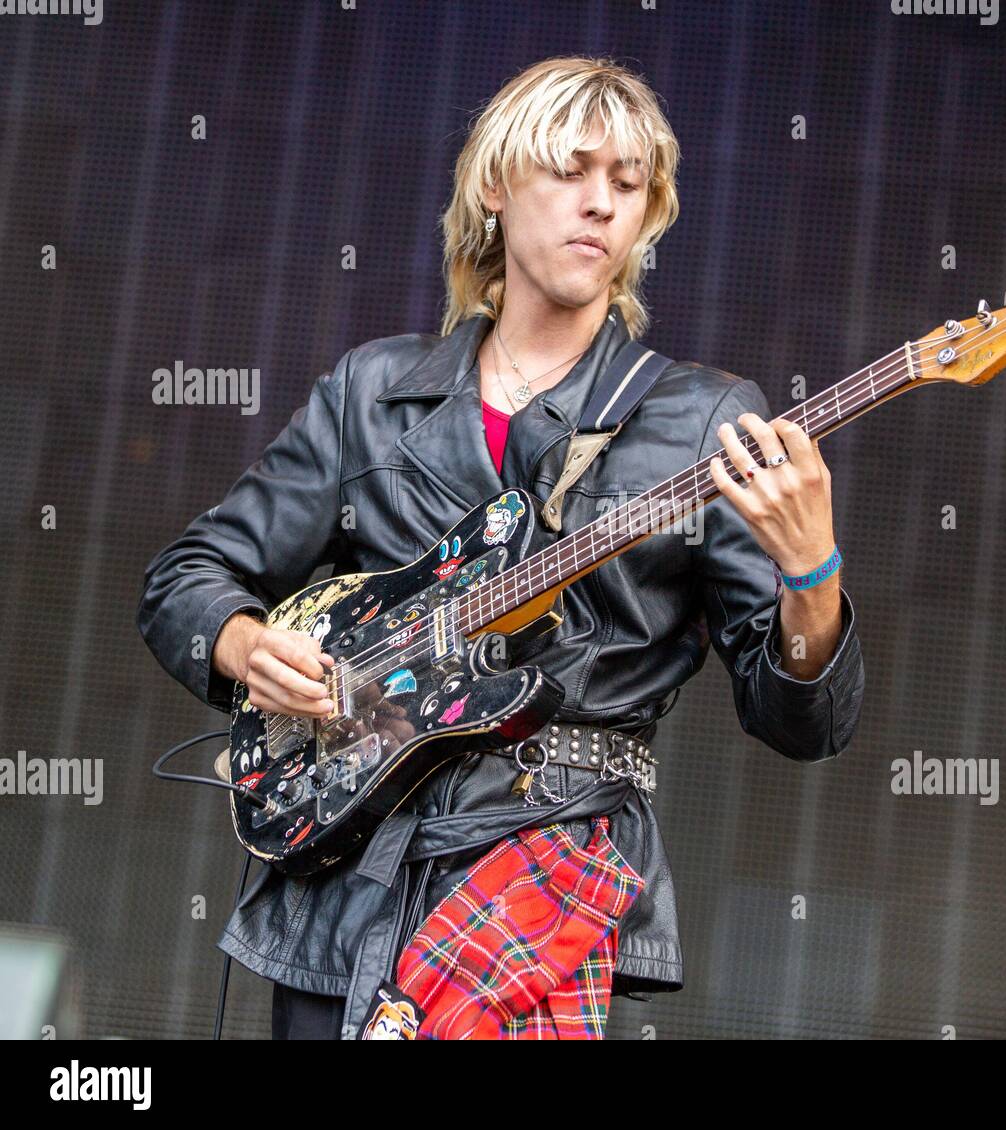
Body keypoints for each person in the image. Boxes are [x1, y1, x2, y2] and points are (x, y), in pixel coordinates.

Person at [138, 54, 866, 1039]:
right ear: (494, 185)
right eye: (571, 170)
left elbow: (800, 720)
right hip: (343, 874)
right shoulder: (373, 393)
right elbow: (188, 576)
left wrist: (810, 571)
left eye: (627, 182)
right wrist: (241, 644)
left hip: (542, 879)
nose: (600, 203)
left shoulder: (699, 419)